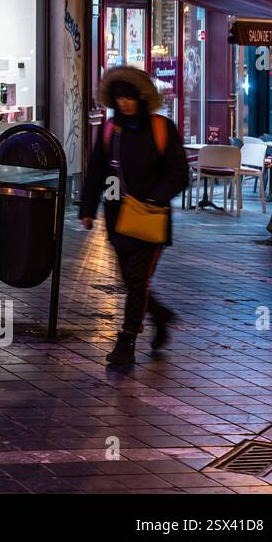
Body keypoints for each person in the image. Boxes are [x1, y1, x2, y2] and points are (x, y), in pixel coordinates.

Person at [80, 66, 190, 366]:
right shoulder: (110, 129)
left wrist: (155, 197)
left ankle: (126, 341)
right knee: (131, 281)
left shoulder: (161, 128)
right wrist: (87, 209)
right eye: (119, 98)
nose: (124, 103)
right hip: (117, 218)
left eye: (129, 97)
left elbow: (179, 173)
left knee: (137, 280)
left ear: (141, 98)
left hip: (151, 219)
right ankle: (160, 315)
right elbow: (96, 172)